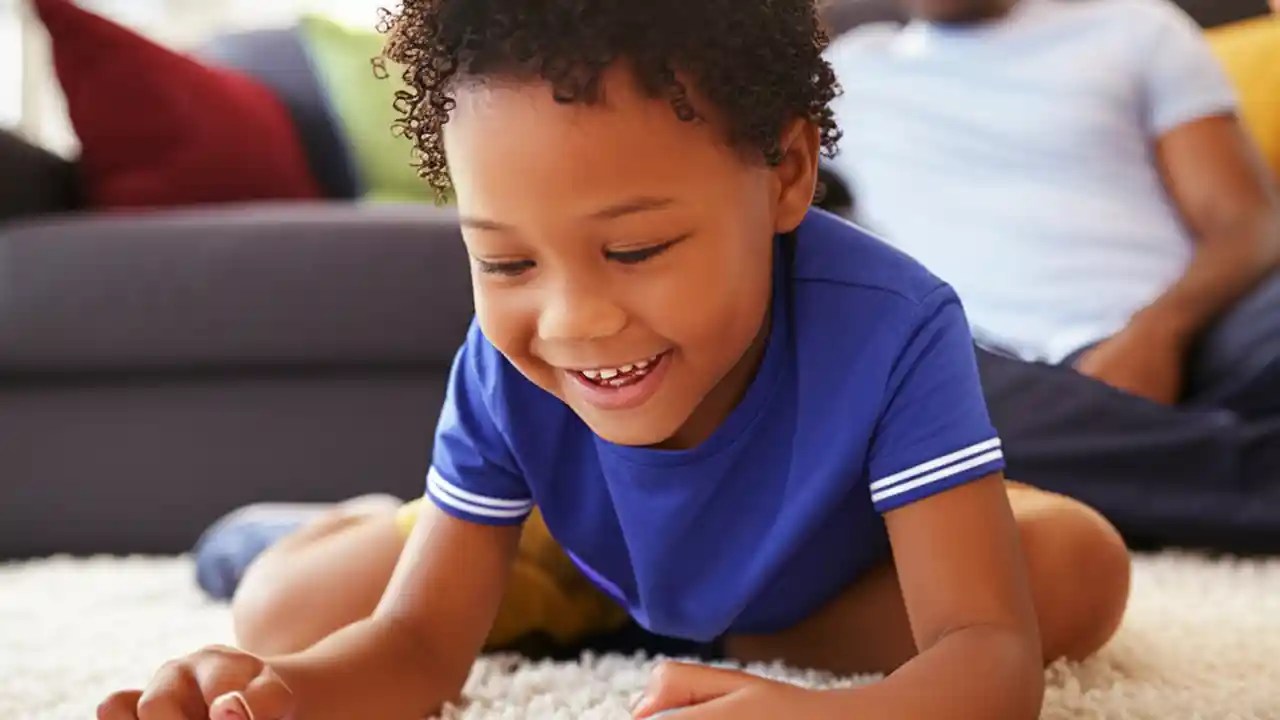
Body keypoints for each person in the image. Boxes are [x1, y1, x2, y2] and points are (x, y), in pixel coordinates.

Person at [98, 2, 1131, 719]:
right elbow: (416, 648)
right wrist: (276, 697)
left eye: (634, 249)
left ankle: (701, 631)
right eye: (505, 261)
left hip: (827, 567)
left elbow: (985, 656)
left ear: (785, 173)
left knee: (1077, 571)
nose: (574, 322)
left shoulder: (896, 324)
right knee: (281, 610)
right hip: (574, 546)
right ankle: (373, 526)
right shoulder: (505, 366)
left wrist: (819, 714)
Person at [826, 0, 1280, 549]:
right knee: (918, 411)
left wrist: (1159, 332)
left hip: (1198, 336)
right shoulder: (846, 74)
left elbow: (1249, 224)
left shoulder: (1134, 27)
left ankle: (1147, 470)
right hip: (1007, 379)